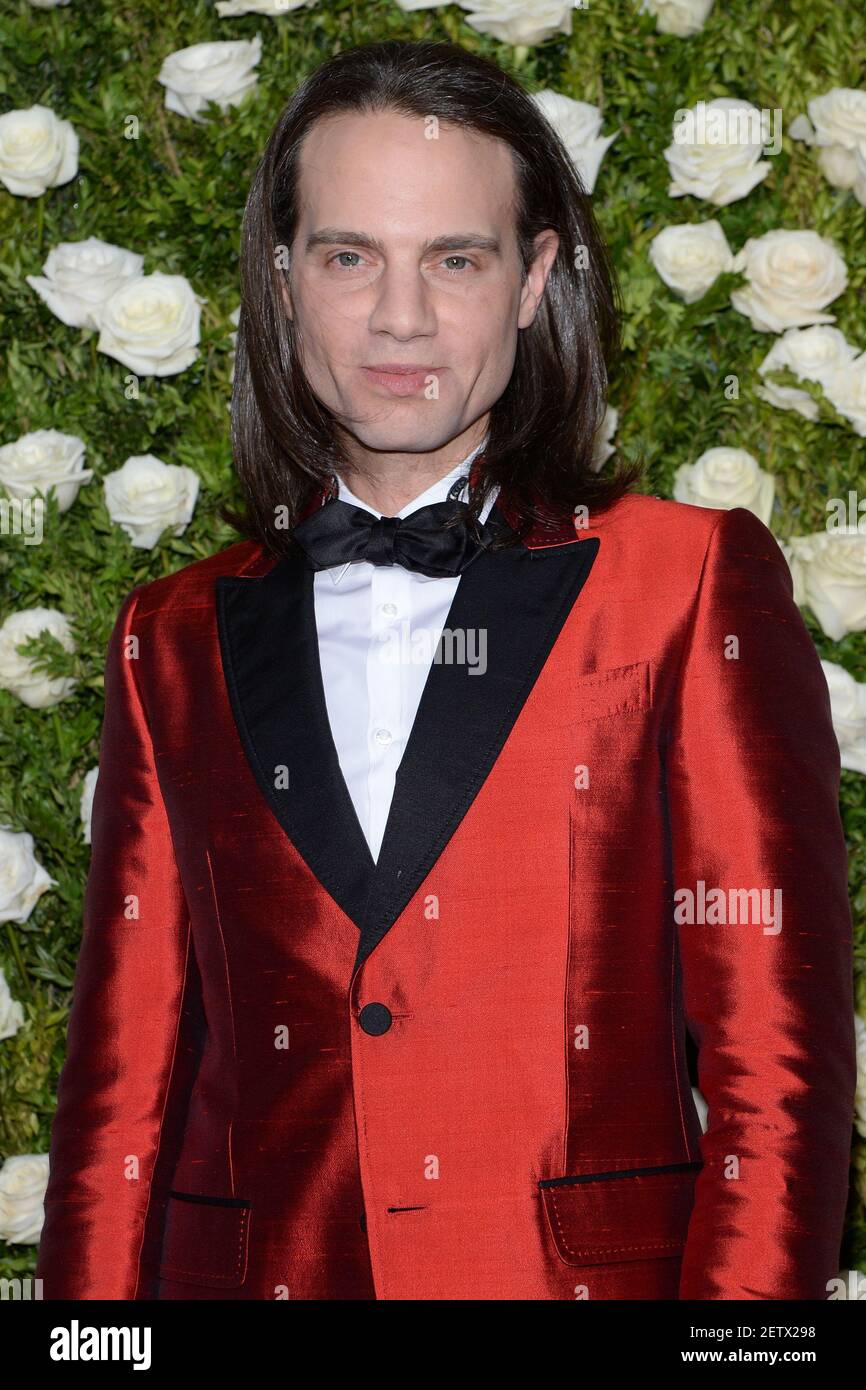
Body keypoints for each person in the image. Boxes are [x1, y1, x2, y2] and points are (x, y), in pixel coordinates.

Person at [36, 39, 855, 1301]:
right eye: (348, 257)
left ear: (533, 280)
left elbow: (775, 1069)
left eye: (455, 259)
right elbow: (119, 1090)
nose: (400, 317)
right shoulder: (173, 634)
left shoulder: (685, 583)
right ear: (281, 280)